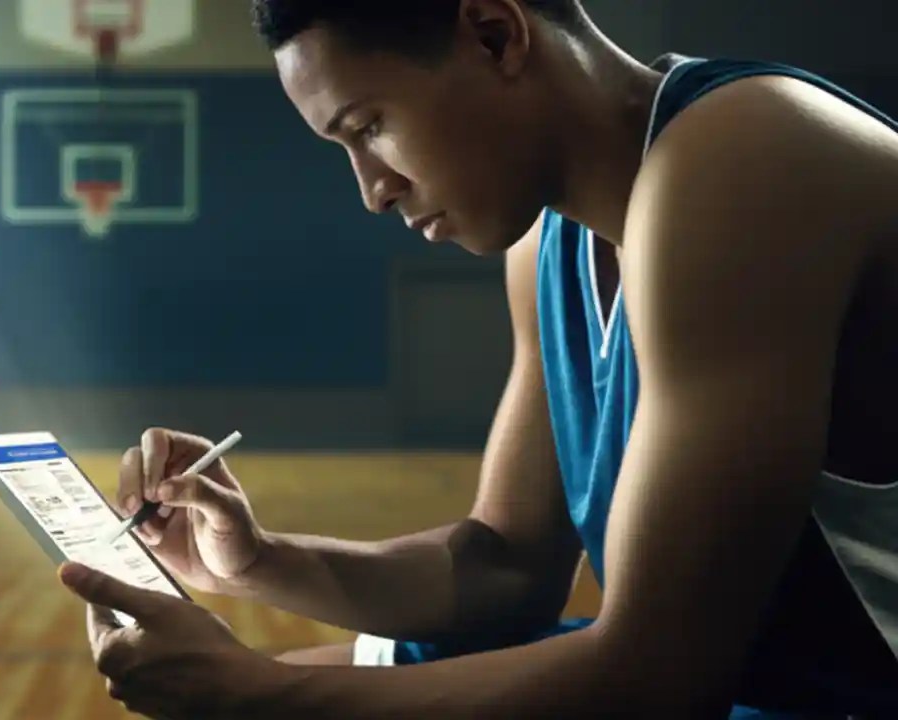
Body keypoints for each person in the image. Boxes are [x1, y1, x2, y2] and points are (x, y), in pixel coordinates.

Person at [57, 1, 898, 717]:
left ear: (495, 34)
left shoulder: (751, 160)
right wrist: (260, 562)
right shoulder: (547, 244)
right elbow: (508, 566)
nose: (371, 188)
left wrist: (257, 694)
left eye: (370, 126)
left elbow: (659, 677)